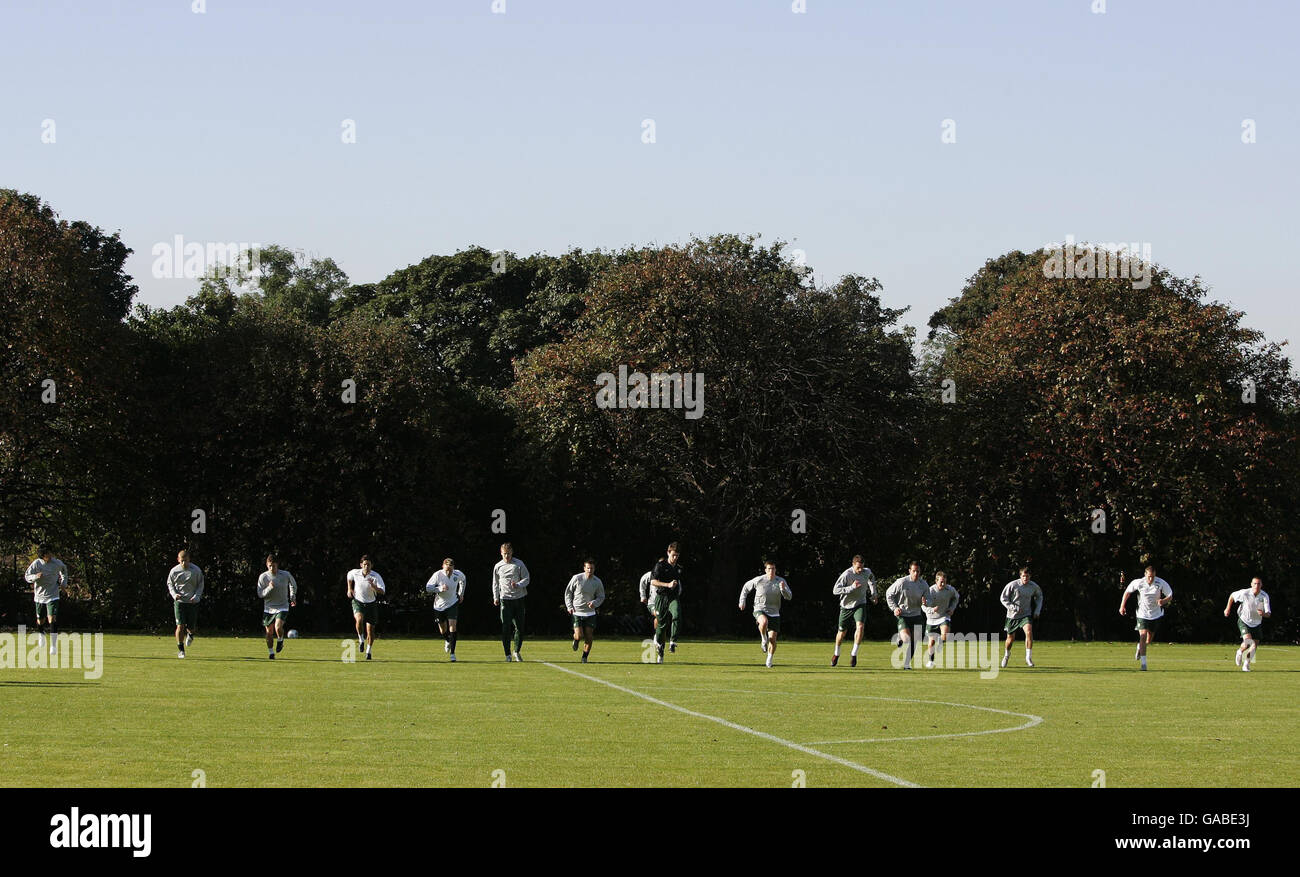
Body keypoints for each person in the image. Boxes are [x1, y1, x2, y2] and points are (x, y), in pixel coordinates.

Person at [739, 561, 792, 669]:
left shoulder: (781, 581)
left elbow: (789, 597)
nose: (771, 571)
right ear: (765, 570)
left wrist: (783, 589)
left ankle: (769, 659)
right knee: (763, 622)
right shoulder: (759, 580)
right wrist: (742, 601)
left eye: (773, 569)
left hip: (774, 613)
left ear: (775, 570)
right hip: (760, 609)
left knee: (773, 639)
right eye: (769, 569)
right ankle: (763, 639)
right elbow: (746, 587)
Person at [1119, 565, 1172, 671]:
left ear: (1155, 575)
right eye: (1149, 576)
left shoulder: (1161, 583)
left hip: (1156, 614)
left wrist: (1163, 601)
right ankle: (1143, 664)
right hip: (1142, 614)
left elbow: (1170, 595)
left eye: (1152, 576)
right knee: (1142, 636)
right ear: (1145, 574)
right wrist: (1122, 606)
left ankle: (1139, 647)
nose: (1150, 579)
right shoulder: (1138, 582)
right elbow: (1127, 592)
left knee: (1148, 639)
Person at [831, 555, 877, 667]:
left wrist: (874, 593)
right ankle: (836, 654)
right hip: (846, 606)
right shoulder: (846, 574)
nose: (860, 570)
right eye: (858, 568)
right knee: (841, 633)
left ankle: (854, 654)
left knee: (860, 626)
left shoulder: (867, 572)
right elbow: (835, 590)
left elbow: (871, 579)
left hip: (860, 604)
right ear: (853, 565)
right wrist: (851, 587)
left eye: (862, 567)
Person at [24, 545, 68, 656]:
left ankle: (53, 646)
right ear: (43, 555)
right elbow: (27, 576)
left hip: (53, 595)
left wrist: (63, 584)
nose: (50, 554)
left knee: (52, 619)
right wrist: (35, 577)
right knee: (40, 620)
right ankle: (41, 634)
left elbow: (64, 571)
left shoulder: (57, 563)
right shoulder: (36, 563)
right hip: (39, 596)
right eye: (48, 553)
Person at [885, 562, 928, 670]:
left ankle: (907, 664)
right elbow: (889, 594)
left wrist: (926, 601)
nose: (916, 573)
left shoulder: (923, 584)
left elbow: (929, 599)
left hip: (917, 615)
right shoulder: (902, 582)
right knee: (907, 639)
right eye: (914, 571)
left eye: (918, 571)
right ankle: (900, 638)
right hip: (903, 614)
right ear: (909, 571)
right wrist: (894, 608)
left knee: (916, 641)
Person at [1223, 576, 1270, 672]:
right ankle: (1240, 651)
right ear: (1251, 584)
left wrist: (1263, 614)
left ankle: (1246, 665)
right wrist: (1227, 608)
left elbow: (1268, 613)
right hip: (1244, 620)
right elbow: (1232, 596)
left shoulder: (1264, 596)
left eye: (1259, 584)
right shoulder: (1245, 593)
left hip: (1257, 623)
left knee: (1254, 646)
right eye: (1255, 583)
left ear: (1262, 585)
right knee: (1248, 642)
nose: (1257, 585)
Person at [492, 543, 530, 662]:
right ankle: (507, 654)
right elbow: (495, 583)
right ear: (501, 553)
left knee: (519, 627)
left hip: (519, 599)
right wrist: (496, 597)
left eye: (508, 553)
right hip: (505, 600)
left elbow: (527, 578)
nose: (507, 556)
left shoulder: (519, 564)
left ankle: (516, 651)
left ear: (512, 552)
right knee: (505, 627)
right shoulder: (498, 566)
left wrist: (518, 584)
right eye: (504, 554)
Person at [1000, 567, 1043, 668]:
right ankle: (1006, 655)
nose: (1025, 578)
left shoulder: (1033, 586)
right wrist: (1013, 607)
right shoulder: (1013, 585)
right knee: (1010, 639)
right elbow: (1003, 598)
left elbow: (1039, 596)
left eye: (1027, 576)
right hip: (1012, 616)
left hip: (1025, 614)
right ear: (1020, 576)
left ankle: (1028, 657)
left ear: (1030, 576)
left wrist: (1037, 610)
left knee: (1029, 631)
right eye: (1023, 576)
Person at [564, 559, 606, 663]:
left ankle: (584, 657)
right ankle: (576, 640)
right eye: (588, 568)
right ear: (584, 568)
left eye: (591, 568)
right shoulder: (577, 578)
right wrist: (569, 606)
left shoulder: (597, 581)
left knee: (589, 635)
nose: (590, 570)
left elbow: (601, 596)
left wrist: (594, 603)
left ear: (594, 569)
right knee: (579, 635)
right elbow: (568, 592)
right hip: (577, 611)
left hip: (590, 612)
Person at [257, 554, 297, 660]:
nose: (272, 568)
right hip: (268, 608)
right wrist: (269, 588)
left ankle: (280, 640)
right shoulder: (263, 577)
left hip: (282, 606)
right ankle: (271, 653)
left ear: (277, 565)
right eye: (270, 566)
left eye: (273, 566)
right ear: (267, 565)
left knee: (278, 627)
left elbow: (293, 584)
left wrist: (292, 596)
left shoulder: (285, 574)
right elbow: (260, 594)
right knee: (269, 632)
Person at [425, 558, 466, 662]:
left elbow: (463, 580)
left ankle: (452, 654)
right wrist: (439, 588)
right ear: (443, 566)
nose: (449, 572)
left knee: (453, 626)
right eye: (447, 569)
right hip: (439, 606)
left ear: (453, 568)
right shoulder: (438, 575)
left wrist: (461, 594)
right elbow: (428, 588)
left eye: (451, 569)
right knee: (443, 630)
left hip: (452, 603)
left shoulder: (457, 574)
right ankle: (447, 640)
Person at [167, 549, 205, 659]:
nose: (184, 563)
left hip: (192, 602)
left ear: (189, 560)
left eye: (186, 561)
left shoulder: (196, 570)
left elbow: (200, 585)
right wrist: (174, 595)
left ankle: (191, 635)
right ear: (178, 560)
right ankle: (181, 650)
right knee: (180, 625)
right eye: (182, 561)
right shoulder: (174, 571)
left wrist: (196, 596)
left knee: (191, 627)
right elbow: (170, 584)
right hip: (180, 602)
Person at [346, 555, 386, 660]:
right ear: (361, 565)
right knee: (359, 619)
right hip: (358, 601)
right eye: (364, 564)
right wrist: (349, 589)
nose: (366, 566)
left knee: (370, 630)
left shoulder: (376, 576)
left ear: (371, 565)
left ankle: (368, 651)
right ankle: (361, 639)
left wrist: (375, 587)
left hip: (371, 604)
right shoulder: (355, 572)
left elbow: (382, 591)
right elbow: (349, 576)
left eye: (368, 564)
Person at [650, 543, 684, 663]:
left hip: (673, 597)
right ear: (668, 552)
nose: (675, 558)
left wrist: (676, 588)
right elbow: (653, 581)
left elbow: (679, 583)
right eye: (673, 555)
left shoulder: (679, 568)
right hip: (661, 597)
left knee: (677, 615)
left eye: (677, 556)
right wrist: (667, 584)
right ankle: (660, 648)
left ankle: (673, 641)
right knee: (661, 625)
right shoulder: (660, 565)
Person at [922, 571, 960, 669]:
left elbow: (956, 598)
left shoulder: (950, 589)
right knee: (931, 642)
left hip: (944, 616)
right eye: (941, 582)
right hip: (931, 618)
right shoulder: (930, 591)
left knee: (945, 634)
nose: (943, 584)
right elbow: (923, 605)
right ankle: (931, 661)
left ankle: (941, 643)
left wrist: (952, 608)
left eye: (944, 582)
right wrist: (930, 610)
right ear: (936, 581)